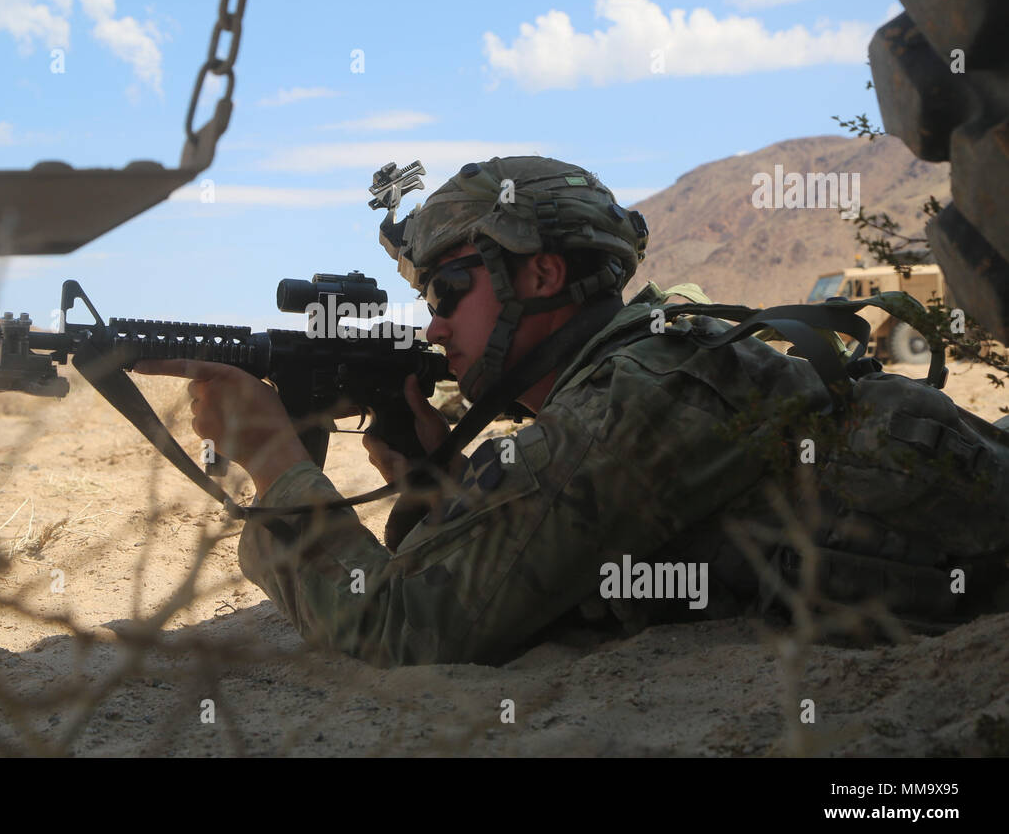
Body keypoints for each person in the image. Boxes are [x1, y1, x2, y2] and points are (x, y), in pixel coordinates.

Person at [131, 156, 1009, 667]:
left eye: (448, 288)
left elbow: (393, 628)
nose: (434, 323)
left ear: (541, 276)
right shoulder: (652, 359)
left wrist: (276, 464)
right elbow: (533, 564)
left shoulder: (636, 402)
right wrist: (437, 487)